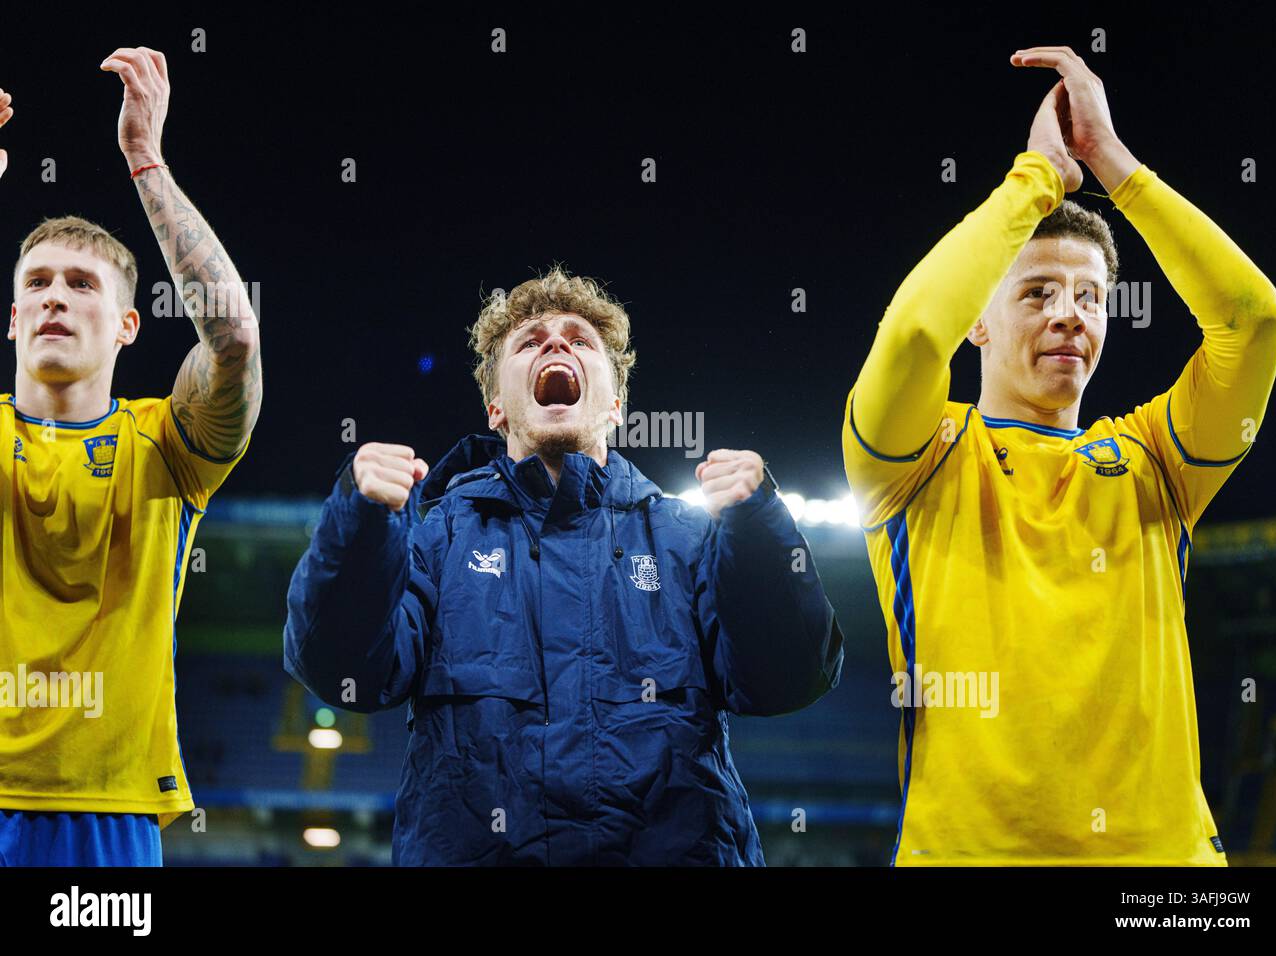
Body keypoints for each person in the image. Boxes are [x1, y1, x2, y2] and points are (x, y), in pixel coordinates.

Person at [843, 46, 1276, 865]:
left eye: (1089, 297)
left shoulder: (1156, 457)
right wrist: (1035, 179)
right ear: (978, 321)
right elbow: (909, 337)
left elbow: (1255, 321)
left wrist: (1113, 164)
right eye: (1037, 292)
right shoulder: (916, 459)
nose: (1069, 315)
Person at [285, 266, 843, 865]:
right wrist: (360, 520)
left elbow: (786, 678)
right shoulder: (438, 536)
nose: (555, 343)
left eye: (581, 340)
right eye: (529, 341)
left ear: (617, 405)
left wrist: (759, 528)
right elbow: (347, 672)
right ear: (496, 407)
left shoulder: (690, 539)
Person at [0, 47, 262, 865]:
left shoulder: (167, 445)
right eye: (38, 282)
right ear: (11, 318)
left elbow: (235, 338)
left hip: (105, 814)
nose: (54, 296)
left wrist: (146, 160)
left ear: (127, 325)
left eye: (82, 284)